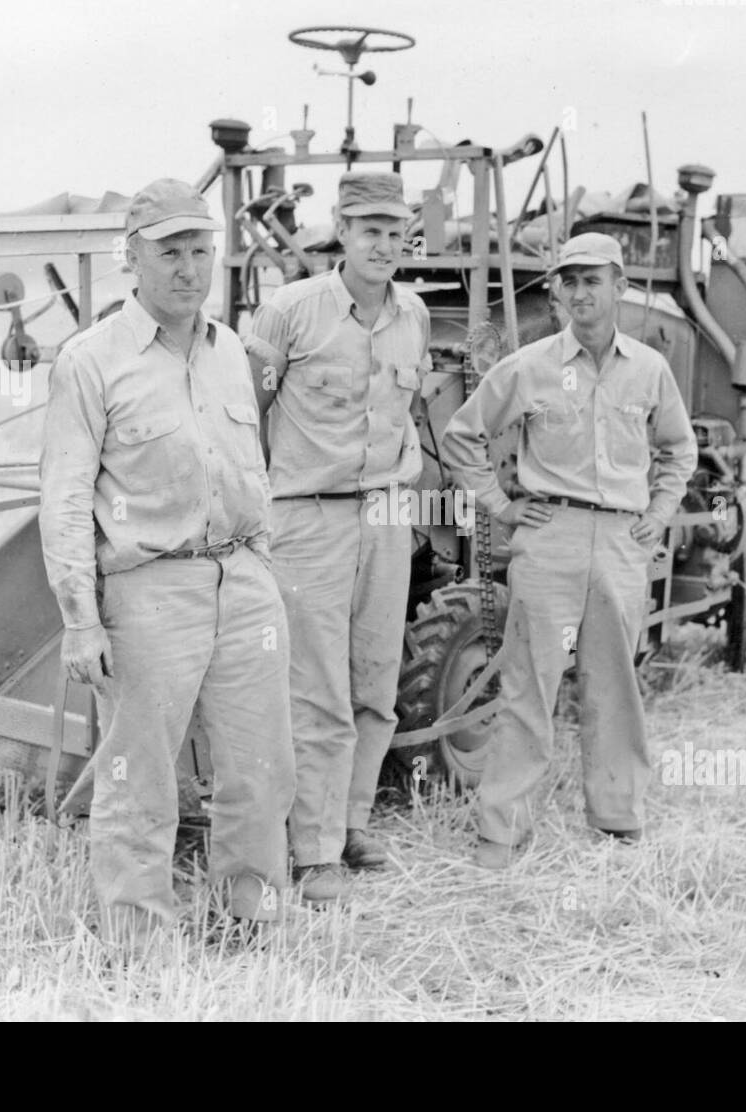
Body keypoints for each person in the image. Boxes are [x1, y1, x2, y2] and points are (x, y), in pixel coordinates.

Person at [39, 178, 295, 945]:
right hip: (150, 590)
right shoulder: (90, 361)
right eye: (170, 252)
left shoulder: (234, 355)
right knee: (139, 779)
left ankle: (249, 924)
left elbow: (253, 465)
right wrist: (81, 622)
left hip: (245, 580)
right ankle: (139, 945)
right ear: (133, 260)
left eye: (200, 250)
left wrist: (262, 566)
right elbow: (63, 498)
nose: (188, 268)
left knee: (260, 767)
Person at [441, 232, 697, 867]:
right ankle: (501, 831)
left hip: (620, 541)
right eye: (569, 281)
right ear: (554, 291)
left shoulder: (649, 369)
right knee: (529, 686)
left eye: (593, 280)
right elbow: (463, 434)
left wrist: (658, 515)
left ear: (620, 287)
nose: (581, 293)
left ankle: (617, 817)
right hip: (550, 541)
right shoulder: (530, 366)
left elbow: (678, 449)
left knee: (614, 686)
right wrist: (501, 508)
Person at [244, 172, 431, 903]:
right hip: (308, 517)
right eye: (370, 230)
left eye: (396, 232)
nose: (384, 245)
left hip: (385, 514)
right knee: (316, 688)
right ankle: (313, 849)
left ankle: (351, 821)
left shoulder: (412, 315)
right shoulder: (291, 311)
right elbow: (247, 414)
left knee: (376, 681)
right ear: (342, 232)